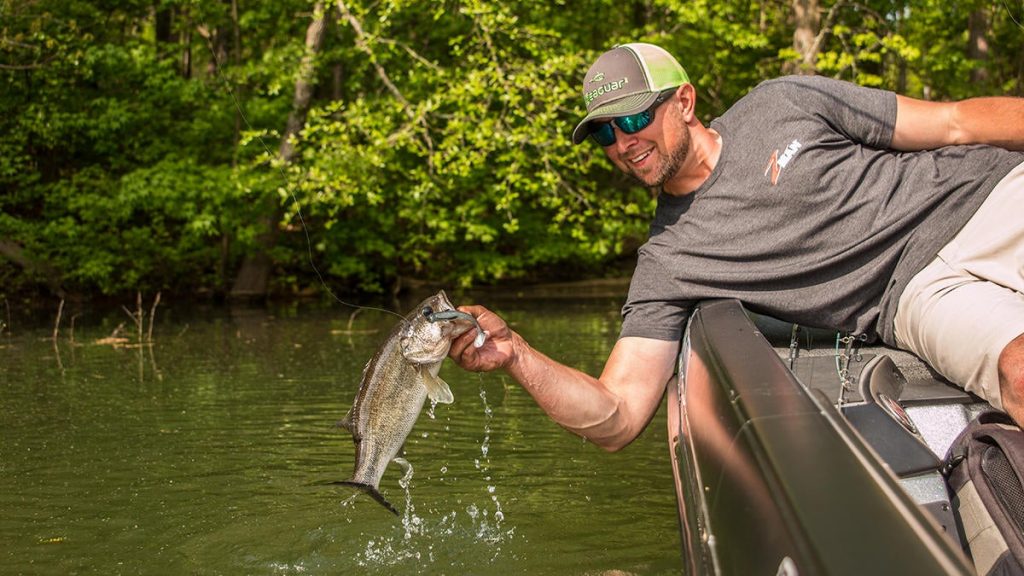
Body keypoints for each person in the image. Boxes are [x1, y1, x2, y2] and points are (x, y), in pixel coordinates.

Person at [448, 42, 1024, 450]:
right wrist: (517, 354)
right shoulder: (669, 261)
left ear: (685, 101)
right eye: (604, 131)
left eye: (634, 117)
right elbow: (618, 415)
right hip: (918, 293)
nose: (623, 143)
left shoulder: (782, 102)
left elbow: (955, 122)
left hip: (990, 196)